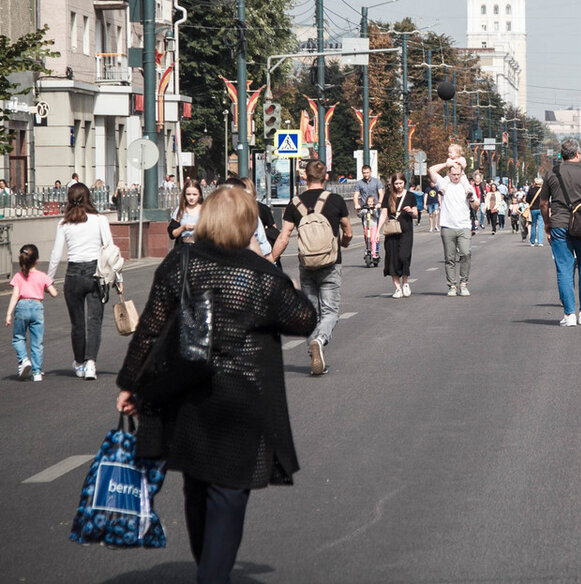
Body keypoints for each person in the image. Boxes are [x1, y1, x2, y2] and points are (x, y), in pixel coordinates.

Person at [115, 186, 317, 584]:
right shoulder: (260, 275)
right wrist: (287, 286)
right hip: (244, 395)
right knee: (228, 492)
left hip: (188, 393)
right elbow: (304, 320)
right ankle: (213, 574)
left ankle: (208, 567)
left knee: (196, 483)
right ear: (246, 224)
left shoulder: (181, 265)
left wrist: (130, 384)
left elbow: (151, 330)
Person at [270, 159, 352, 376]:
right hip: (331, 263)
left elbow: (284, 236)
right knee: (330, 311)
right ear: (325, 177)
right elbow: (348, 230)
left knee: (311, 311)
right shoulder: (335, 200)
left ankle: (314, 346)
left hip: (306, 264)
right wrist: (344, 242)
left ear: (305, 177)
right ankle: (320, 339)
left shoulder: (294, 203)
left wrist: (270, 258)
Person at [47, 183, 114, 380]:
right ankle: (91, 363)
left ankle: (79, 363)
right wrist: (117, 278)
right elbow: (110, 250)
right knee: (94, 321)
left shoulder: (64, 224)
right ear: (88, 197)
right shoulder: (100, 220)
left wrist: (49, 279)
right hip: (96, 273)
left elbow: (56, 254)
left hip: (73, 274)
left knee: (77, 323)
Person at [540, 138, 581, 326]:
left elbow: (544, 203)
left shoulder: (552, 174)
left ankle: (569, 315)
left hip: (559, 225)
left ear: (562, 155)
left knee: (564, 268)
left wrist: (547, 224)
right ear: (578, 154)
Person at [428, 155, 480, 296]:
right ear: (449, 174)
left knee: (465, 253)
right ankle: (452, 285)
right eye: (454, 174)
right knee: (449, 258)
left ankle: (463, 283)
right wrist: (447, 164)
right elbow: (431, 170)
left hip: (464, 226)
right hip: (447, 226)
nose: (456, 177)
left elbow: (476, 205)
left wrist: (472, 200)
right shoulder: (443, 183)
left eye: (458, 174)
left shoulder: (466, 186)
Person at [7, 244, 58, 381]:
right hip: (37, 307)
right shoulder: (42, 276)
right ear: (37, 260)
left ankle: (24, 359)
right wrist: (45, 288)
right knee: (37, 342)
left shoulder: (18, 276)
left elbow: (15, 295)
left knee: (18, 337)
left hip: (22, 307)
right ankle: (37, 372)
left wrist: (8, 314)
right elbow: (54, 293)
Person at [381, 173, 418, 298]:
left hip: (406, 231)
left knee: (404, 256)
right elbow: (383, 214)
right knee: (392, 260)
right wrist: (376, 231)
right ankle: (397, 288)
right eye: (396, 184)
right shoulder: (388, 196)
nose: (398, 186)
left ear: (404, 182)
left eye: (400, 183)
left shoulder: (410, 196)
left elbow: (416, 214)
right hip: (392, 232)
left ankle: (405, 282)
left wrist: (411, 211)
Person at [167, 180, 204, 247]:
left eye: (194, 194)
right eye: (188, 194)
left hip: (201, 247)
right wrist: (183, 227)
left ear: (199, 195)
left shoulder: (206, 209)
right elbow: (172, 234)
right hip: (183, 247)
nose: (191, 198)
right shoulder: (180, 210)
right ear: (184, 195)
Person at [525, 177, 546, 246]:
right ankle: (540, 242)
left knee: (533, 224)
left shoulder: (531, 189)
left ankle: (532, 241)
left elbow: (527, 199)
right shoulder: (543, 190)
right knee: (540, 225)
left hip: (533, 209)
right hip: (541, 209)